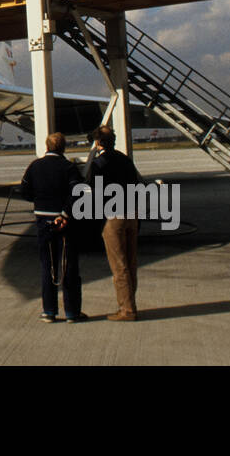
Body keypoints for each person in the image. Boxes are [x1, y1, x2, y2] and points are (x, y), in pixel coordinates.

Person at [20, 132, 87, 323]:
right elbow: (79, 193)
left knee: (47, 267)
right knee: (69, 268)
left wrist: (40, 202)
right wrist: (65, 214)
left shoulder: (35, 166)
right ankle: (72, 313)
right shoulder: (69, 167)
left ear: (46, 146)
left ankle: (49, 311)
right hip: (65, 223)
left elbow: (25, 191)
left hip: (43, 222)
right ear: (63, 148)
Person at [84, 125, 141, 321]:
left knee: (119, 266)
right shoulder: (125, 160)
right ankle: (130, 303)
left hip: (113, 216)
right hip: (131, 214)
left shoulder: (99, 164)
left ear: (98, 142)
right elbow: (137, 184)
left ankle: (127, 310)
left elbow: (94, 191)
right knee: (131, 262)